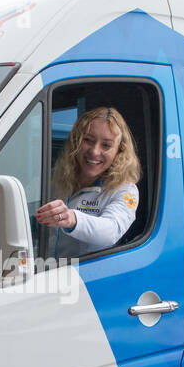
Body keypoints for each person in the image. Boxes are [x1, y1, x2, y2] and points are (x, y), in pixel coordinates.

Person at [36, 106, 140, 259]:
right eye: (88, 140)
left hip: (83, 277)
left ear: (119, 151)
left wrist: (73, 219)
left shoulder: (125, 190)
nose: (94, 151)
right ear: (76, 141)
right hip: (43, 272)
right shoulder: (52, 176)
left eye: (106, 145)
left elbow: (111, 231)